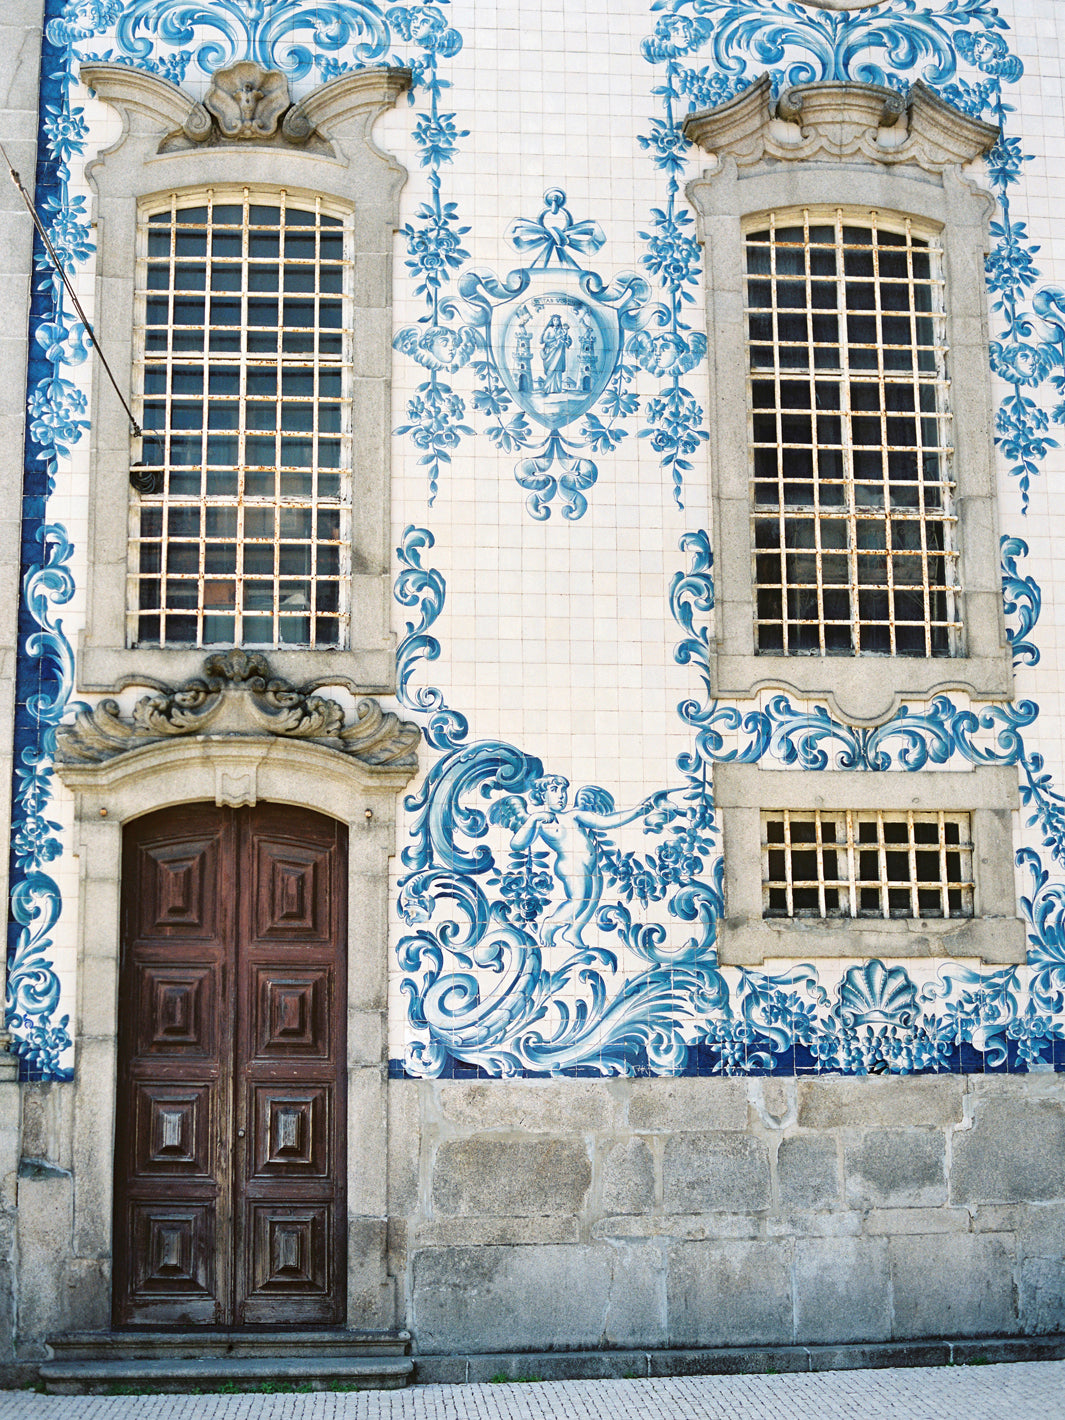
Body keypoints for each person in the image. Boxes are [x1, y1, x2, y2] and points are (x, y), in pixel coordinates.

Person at [505, 774, 671, 949]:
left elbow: (605, 821)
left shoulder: (574, 815)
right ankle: (550, 925)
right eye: (554, 790)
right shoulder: (541, 821)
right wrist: (533, 819)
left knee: (592, 898)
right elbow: (517, 844)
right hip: (571, 866)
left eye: (563, 790)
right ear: (541, 795)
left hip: (591, 865)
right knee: (578, 901)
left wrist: (636, 811)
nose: (561, 795)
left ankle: (573, 931)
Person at [540, 313, 572, 394]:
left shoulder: (562, 330)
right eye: (554, 320)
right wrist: (555, 339)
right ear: (552, 321)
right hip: (550, 352)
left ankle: (557, 389)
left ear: (559, 321)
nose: (556, 321)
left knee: (557, 371)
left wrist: (566, 339)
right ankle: (547, 388)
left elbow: (567, 339)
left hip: (559, 353)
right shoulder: (549, 330)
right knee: (550, 370)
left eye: (557, 320)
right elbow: (545, 340)